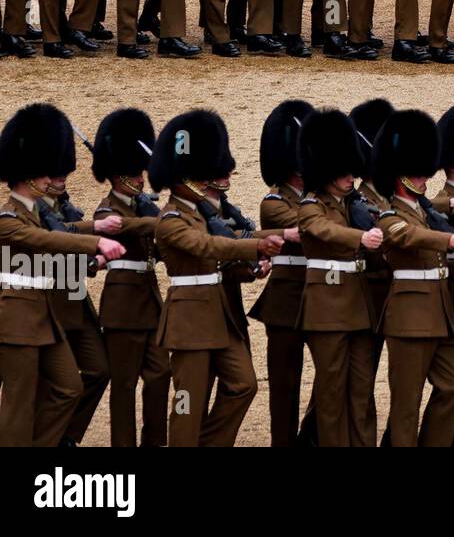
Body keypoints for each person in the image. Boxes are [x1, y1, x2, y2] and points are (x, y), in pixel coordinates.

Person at [0, 103, 124, 447]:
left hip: (45, 315)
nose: (52, 179)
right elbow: (47, 239)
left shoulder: (34, 212)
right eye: (44, 173)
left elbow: (62, 228)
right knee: (18, 406)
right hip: (18, 319)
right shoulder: (7, 218)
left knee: (69, 386)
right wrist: (95, 241)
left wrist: (92, 229)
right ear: (26, 174)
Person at [149, 108, 284, 446]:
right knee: (187, 403)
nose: (207, 183)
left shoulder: (203, 213)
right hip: (189, 319)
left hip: (219, 314)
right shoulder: (169, 220)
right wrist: (254, 247)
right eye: (199, 178)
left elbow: (221, 261)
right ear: (182, 179)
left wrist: (251, 268)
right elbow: (206, 247)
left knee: (244, 384)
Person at [371, 108, 454, 447]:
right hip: (409, 318)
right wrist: (451, 241)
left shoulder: (426, 213)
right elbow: (407, 238)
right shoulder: (389, 215)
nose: (424, 179)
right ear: (402, 177)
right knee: (406, 404)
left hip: (440, 315)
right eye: (417, 174)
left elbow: (432, 257)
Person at [295, 107, 381, 446]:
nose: (350, 177)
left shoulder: (353, 204)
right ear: (326, 171)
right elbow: (322, 230)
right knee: (331, 396)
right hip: (327, 309)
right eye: (343, 172)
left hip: (358, 307)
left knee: (362, 392)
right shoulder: (310, 205)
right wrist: (360, 237)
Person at [90, 108, 172, 448]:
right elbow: (124, 228)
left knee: (161, 374)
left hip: (150, 303)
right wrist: (166, 221)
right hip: (123, 307)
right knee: (123, 387)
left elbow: (162, 249)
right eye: (136, 174)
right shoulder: (107, 210)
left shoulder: (143, 206)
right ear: (119, 176)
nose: (142, 179)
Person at [249, 99, 314, 447]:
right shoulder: (273, 203)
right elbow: (311, 228)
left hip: (322, 297)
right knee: (284, 387)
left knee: (338, 374)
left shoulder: (321, 196)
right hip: (286, 300)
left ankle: (311, 435)